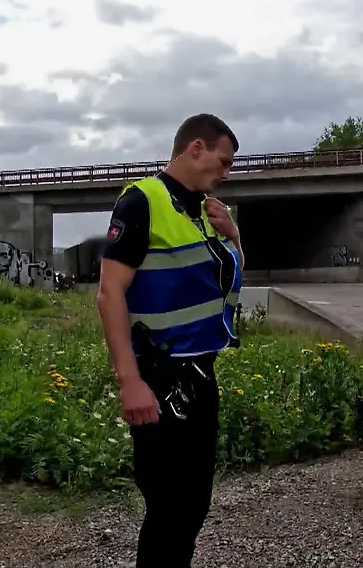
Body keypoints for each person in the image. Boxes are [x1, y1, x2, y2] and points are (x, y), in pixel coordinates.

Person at [95, 113, 244, 568]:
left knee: (194, 505)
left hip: (201, 377)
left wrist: (234, 235)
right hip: (161, 381)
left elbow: (225, 284)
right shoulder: (143, 201)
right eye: (222, 162)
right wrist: (129, 381)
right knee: (168, 510)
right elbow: (109, 293)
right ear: (195, 148)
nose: (225, 174)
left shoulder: (202, 211)